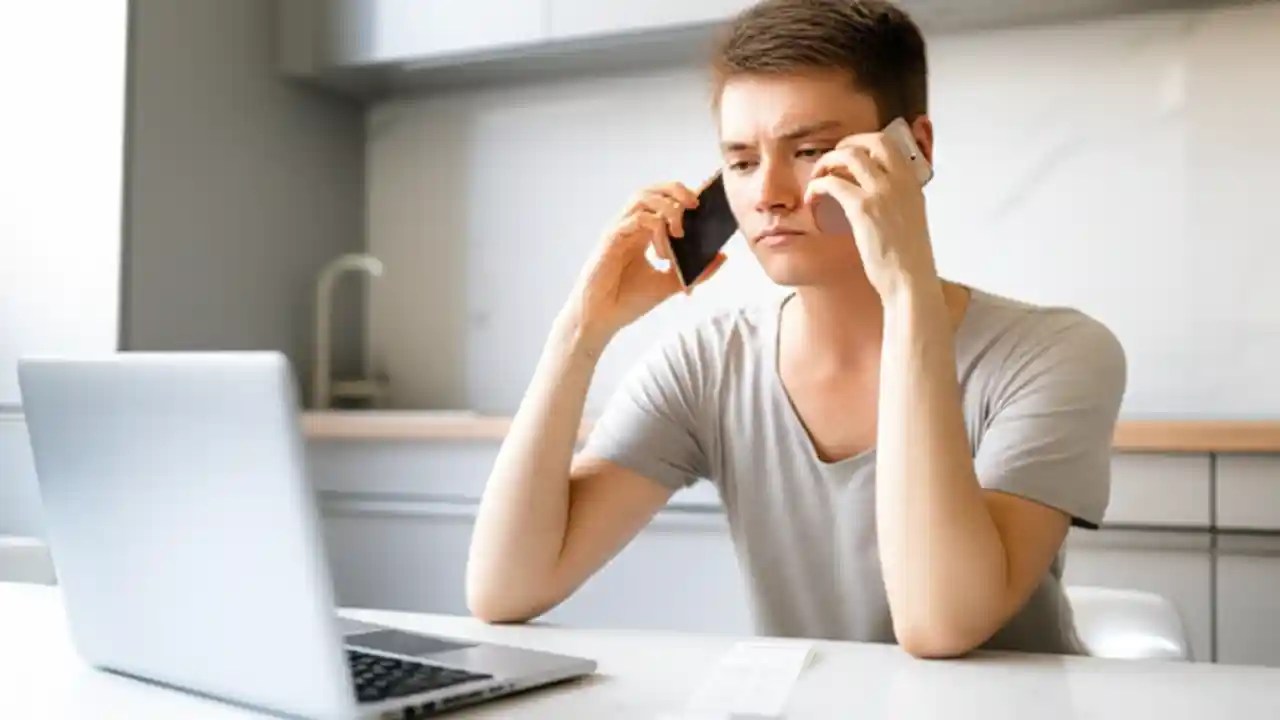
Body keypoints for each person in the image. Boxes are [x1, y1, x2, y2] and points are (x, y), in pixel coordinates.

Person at [465, 0, 1126, 658]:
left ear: (915, 151)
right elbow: (505, 589)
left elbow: (938, 624)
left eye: (809, 151)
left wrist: (907, 292)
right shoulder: (708, 365)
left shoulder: (1054, 355)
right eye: (742, 161)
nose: (768, 194)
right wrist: (579, 332)